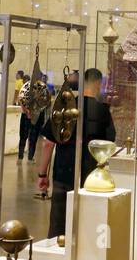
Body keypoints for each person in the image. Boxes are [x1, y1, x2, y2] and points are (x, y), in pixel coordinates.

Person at [36, 67, 114, 239]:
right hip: (90, 178)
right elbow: (110, 146)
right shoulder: (103, 111)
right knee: (86, 225)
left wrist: (42, 174)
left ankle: (56, 259)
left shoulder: (65, 107)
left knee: (58, 225)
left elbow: (48, 144)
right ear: (98, 84)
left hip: (63, 173)